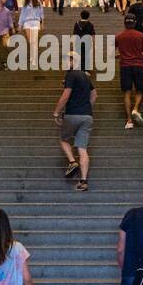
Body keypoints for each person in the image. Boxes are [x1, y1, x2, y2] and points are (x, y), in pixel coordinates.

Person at [54, 52, 96, 191]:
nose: (65, 62)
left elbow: (65, 96)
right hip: (87, 116)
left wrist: (56, 112)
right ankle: (83, 181)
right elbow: (94, 94)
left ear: (75, 61)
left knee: (63, 139)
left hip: (73, 113)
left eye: (68, 60)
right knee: (82, 149)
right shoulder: (85, 76)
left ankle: (72, 162)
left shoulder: (71, 75)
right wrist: (87, 106)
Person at [115, 13, 143, 130]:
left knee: (127, 93)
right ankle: (135, 109)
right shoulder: (140, 35)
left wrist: (121, 55)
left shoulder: (119, 36)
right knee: (140, 90)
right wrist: (139, 55)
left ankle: (129, 121)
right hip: (138, 65)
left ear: (125, 23)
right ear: (135, 23)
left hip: (125, 66)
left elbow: (113, 53)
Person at [19, 0, 45, 68]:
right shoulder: (25, 3)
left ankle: (34, 59)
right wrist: (20, 24)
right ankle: (32, 56)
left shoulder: (38, 2)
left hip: (36, 22)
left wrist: (42, 24)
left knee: (34, 41)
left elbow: (41, 14)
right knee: (30, 41)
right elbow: (22, 14)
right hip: (27, 22)